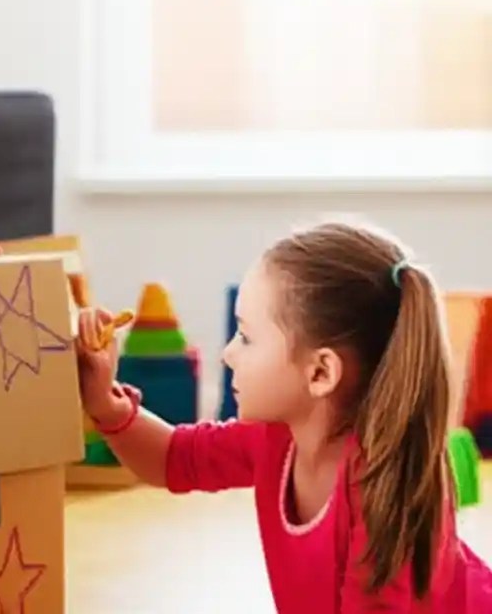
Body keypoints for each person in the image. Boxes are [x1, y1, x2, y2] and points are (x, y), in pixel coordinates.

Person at [76, 220, 492, 612]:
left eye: (246, 337)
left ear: (320, 372)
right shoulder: (275, 439)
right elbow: (174, 457)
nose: (228, 353)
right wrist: (104, 403)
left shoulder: (380, 484)